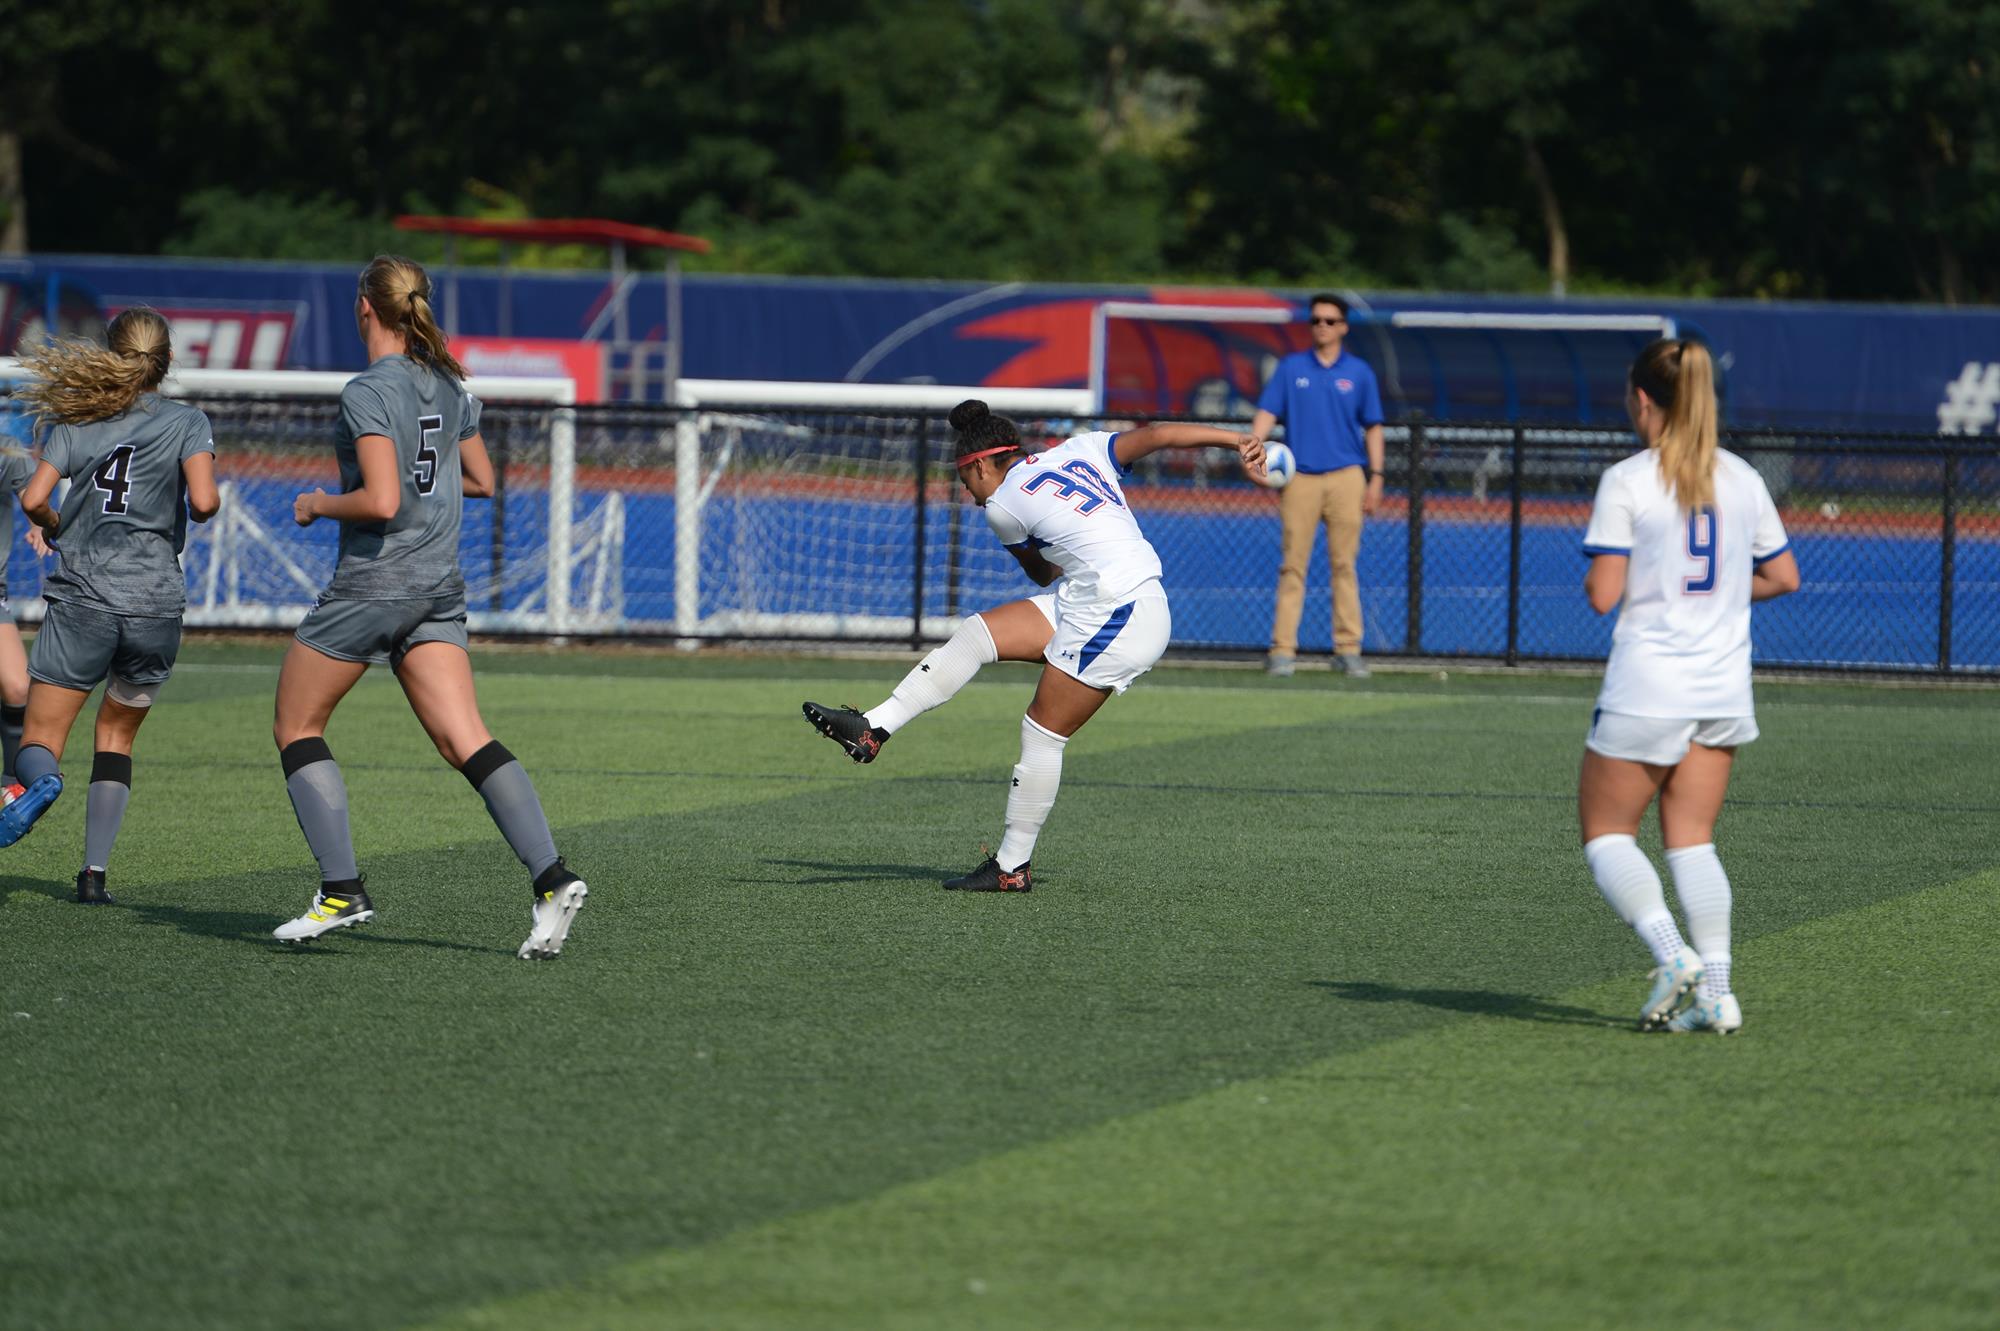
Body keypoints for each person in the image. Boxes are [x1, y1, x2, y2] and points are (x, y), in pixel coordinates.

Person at [802, 399, 1263, 891]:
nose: (971, 495)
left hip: (1119, 610)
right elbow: (1160, 434)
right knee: (977, 635)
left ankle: (1010, 867)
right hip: (1097, 597)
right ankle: (874, 727)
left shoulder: (1002, 507)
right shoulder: (1082, 449)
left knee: (1042, 734)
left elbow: (1041, 572)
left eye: (966, 481)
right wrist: (1235, 440)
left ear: (980, 465)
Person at [270, 255, 587, 957]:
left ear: (364, 308)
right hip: (438, 584)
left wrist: (319, 502)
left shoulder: (366, 390)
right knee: (465, 737)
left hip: (374, 583)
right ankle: (550, 876)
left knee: (296, 723)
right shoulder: (448, 381)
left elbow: (381, 501)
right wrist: (430, 486)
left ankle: (341, 889)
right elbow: (481, 480)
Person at [1577, 337, 1800, 1034]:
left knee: (1607, 833)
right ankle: (1720, 995)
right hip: (1723, 687)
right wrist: (1721, 595)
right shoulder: (1742, 478)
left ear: (1643, 400)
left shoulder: (1629, 479)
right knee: (1693, 840)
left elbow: (1602, 595)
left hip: (1650, 684)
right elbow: (1784, 577)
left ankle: (1673, 956)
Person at [2, 308, 221, 905]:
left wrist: (53, 524)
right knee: (116, 740)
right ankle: (94, 877)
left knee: (39, 742)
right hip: (155, 608)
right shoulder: (187, 421)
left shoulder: (79, 419)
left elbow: (35, 497)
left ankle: (40, 786)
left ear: (109, 353)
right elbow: (204, 502)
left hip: (85, 600)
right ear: (167, 361)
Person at [1248, 294, 1385, 678]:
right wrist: (1250, 454)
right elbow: (1266, 414)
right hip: (1300, 479)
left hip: (1347, 477)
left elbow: (1373, 427)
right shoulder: (1291, 368)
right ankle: (1282, 650)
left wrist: (1376, 478)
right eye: (1316, 321)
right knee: (1293, 565)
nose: (1321, 326)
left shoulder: (1359, 372)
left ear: (1343, 326)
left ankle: (1348, 648)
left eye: (1329, 320)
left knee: (1344, 565)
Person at [0, 403, 46, 788]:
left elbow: (33, 496)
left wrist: (38, 526)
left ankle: (12, 785)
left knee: (17, 687)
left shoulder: (6, 452)